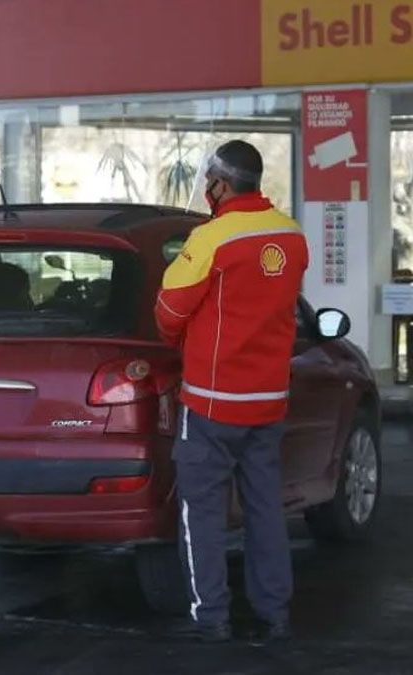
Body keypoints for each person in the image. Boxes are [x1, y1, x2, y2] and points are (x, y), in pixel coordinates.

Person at [154, 140, 309, 644]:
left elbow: (169, 310)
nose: (206, 188)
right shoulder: (291, 234)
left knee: (201, 515)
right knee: (265, 510)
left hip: (211, 403)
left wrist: (183, 340)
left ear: (221, 184)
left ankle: (212, 618)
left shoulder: (212, 237)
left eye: (209, 181)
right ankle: (274, 613)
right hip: (268, 401)